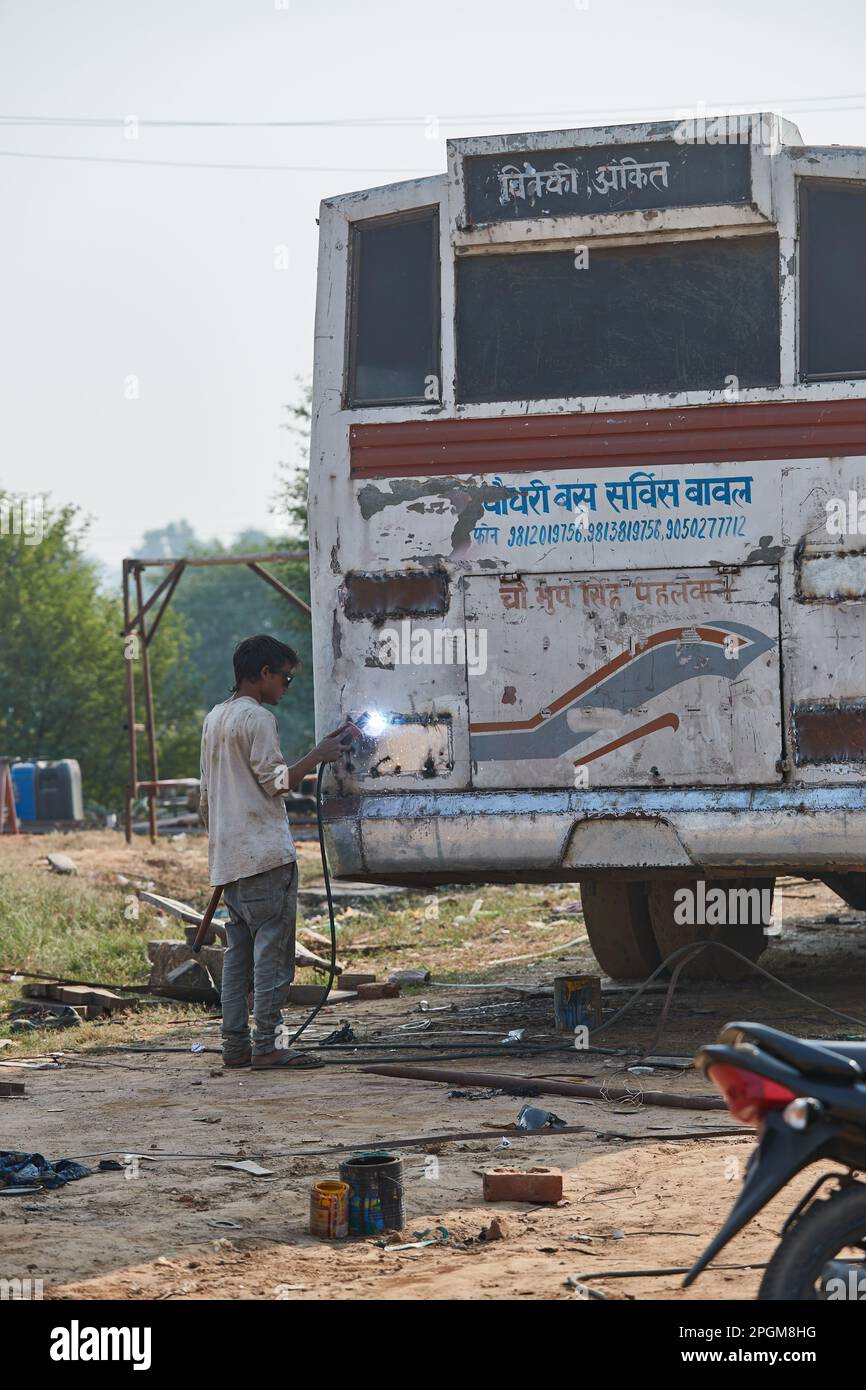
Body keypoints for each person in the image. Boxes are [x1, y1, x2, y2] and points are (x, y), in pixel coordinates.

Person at [199, 633, 359, 1070]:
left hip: (230, 862)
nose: (286, 686)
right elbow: (277, 782)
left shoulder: (215, 718)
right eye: (284, 677)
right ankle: (266, 1045)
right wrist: (319, 754)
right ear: (264, 673)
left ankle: (235, 1047)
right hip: (266, 858)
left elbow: (205, 797)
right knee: (272, 960)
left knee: (238, 959)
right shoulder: (259, 720)